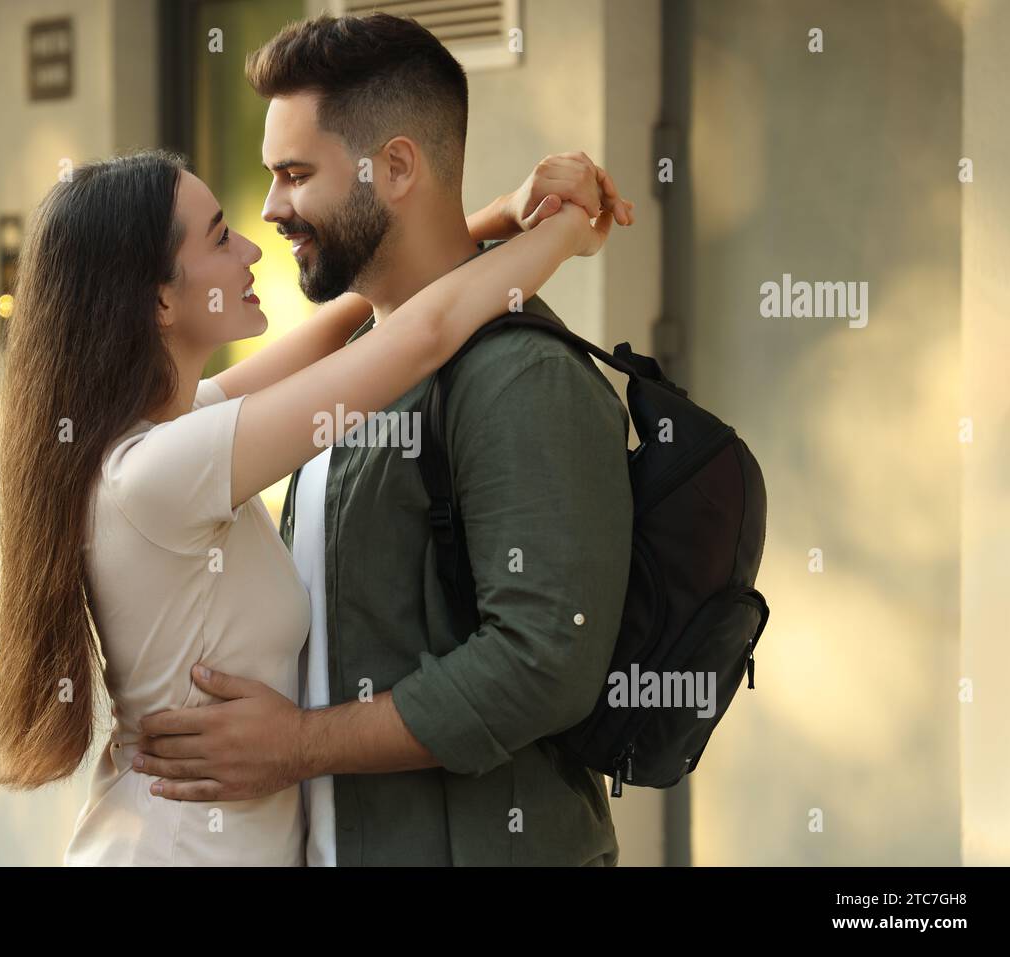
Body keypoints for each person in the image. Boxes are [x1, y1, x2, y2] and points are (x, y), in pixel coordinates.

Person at [0, 140, 619, 865]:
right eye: (219, 237)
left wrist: (501, 213)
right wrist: (564, 235)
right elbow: (417, 338)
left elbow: (349, 321)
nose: (251, 248)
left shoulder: (165, 437)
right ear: (158, 299)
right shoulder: (162, 470)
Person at [133, 13, 637, 866]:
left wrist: (299, 744)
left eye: (295, 174)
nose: (271, 209)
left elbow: (543, 659)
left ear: (395, 167)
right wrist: (516, 220)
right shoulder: (351, 367)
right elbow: (420, 320)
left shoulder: (521, 379)